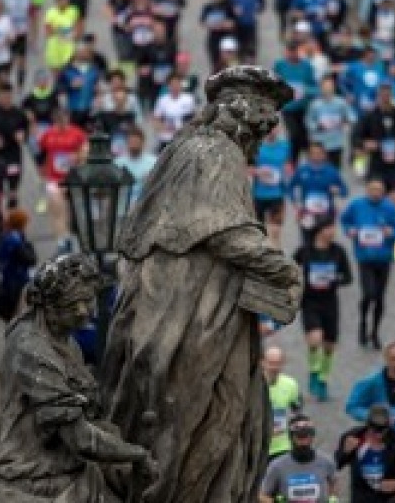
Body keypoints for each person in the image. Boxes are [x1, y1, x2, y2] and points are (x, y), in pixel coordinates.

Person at [100, 67, 302, 503]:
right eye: (261, 125)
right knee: (207, 418)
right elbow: (226, 232)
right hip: (192, 312)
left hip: (183, 305)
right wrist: (285, 271)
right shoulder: (216, 153)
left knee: (195, 416)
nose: (262, 140)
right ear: (243, 116)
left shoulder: (183, 148)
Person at [0, 255, 158, 503]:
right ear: (47, 306)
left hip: (66, 462)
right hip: (34, 471)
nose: (83, 312)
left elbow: (87, 418)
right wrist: (137, 454)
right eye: (71, 304)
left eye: (88, 300)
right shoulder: (31, 351)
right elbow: (80, 439)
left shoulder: (68, 342)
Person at [341, 179, 395, 348]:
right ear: (367, 190)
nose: (376, 193)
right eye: (372, 189)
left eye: (379, 190)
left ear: (384, 191)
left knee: (379, 298)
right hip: (364, 258)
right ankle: (363, 323)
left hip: (384, 258)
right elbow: (345, 220)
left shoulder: (391, 208)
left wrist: (392, 232)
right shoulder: (357, 205)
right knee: (368, 294)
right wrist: (350, 231)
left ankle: (375, 332)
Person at [293, 219, 353, 402]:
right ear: (319, 230)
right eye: (329, 228)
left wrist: (334, 280)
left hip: (330, 302)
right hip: (310, 301)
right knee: (315, 339)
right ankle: (314, 372)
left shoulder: (338, 251)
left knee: (329, 345)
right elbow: (289, 271)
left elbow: (348, 277)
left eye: (333, 228)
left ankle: (323, 379)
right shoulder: (304, 252)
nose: (332, 232)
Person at [346, 342, 395, 450]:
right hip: (380, 440)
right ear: (386, 358)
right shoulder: (370, 382)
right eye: (393, 359)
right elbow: (352, 407)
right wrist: (375, 417)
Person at [356, 83, 395, 227]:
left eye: (388, 95)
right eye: (382, 95)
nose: (385, 98)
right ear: (378, 97)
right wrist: (366, 144)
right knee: (376, 196)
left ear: (391, 96)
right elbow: (356, 138)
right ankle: (375, 227)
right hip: (377, 164)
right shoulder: (369, 115)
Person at [335, 404, 395, 503]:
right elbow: (336, 464)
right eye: (375, 430)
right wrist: (345, 451)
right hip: (362, 497)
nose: (378, 435)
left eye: (382, 430)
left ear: (389, 425)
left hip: (390, 499)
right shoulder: (352, 437)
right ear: (367, 425)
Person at [36, 108, 88, 253]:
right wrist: (42, 172)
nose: (61, 124)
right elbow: (41, 154)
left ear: (68, 118)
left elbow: (86, 152)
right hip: (55, 178)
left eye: (64, 120)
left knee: (76, 213)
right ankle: (62, 241)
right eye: (58, 121)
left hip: (75, 178)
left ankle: (80, 239)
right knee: (57, 208)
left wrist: (78, 157)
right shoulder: (47, 135)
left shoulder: (77, 133)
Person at [260, 414, 338, 503]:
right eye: (299, 437)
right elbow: (262, 495)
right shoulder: (277, 465)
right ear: (291, 437)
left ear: (312, 436)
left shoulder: (326, 461)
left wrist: (333, 498)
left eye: (306, 436)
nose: (303, 441)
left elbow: (334, 482)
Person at [289, 141, 349, 242]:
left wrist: (338, 190)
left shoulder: (331, 171)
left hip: (326, 214)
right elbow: (291, 187)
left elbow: (345, 191)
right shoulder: (302, 170)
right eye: (313, 153)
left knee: (325, 243)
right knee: (307, 243)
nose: (316, 156)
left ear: (324, 154)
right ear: (309, 155)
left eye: (319, 153)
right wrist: (295, 203)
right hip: (307, 214)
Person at [274, 41, 319, 163]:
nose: (292, 54)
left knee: (303, 137)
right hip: (288, 109)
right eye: (290, 51)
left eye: (294, 51)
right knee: (293, 135)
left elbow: (316, 88)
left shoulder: (307, 66)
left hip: (303, 108)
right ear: (286, 52)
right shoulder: (280, 65)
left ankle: (309, 161)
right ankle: (292, 161)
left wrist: (305, 90)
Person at [0, 208, 37, 320]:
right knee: (16, 313)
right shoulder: (15, 240)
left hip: (8, 280)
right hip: (16, 282)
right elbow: (30, 259)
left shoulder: (5, 237)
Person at [252, 125, 293, 246]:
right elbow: (245, 168)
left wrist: (288, 171)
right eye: (268, 128)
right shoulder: (255, 147)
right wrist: (258, 172)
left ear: (278, 129)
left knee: (275, 232)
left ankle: (276, 258)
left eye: (273, 128)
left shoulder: (285, 146)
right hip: (258, 195)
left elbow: (290, 166)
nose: (271, 131)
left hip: (277, 194)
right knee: (258, 234)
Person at [305, 74, 356, 168]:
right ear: (321, 88)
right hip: (320, 145)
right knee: (319, 171)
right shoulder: (314, 104)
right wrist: (317, 126)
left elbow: (352, 117)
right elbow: (308, 121)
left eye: (330, 86)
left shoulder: (341, 103)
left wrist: (344, 123)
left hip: (336, 143)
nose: (327, 89)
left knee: (335, 171)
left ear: (333, 87)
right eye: (325, 86)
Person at [263, 346, 303, 460]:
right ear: (262, 362)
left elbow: (297, 412)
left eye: (278, 363)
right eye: (271, 363)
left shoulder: (291, 384)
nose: (274, 367)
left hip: (283, 446)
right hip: (259, 446)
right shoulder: (253, 387)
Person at [150, 73, 196, 151]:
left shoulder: (189, 99)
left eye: (177, 83)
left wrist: (183, 128)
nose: (175, 86)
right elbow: (155, 120)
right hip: (166, 138)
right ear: (168, 86)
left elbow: (194, 119)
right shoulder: (162, 100)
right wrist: (165, 128)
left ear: (181, 84)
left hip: (183, 137)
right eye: (172, 84)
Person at [115, 127, 157, 205]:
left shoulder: (153, 162)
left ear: (142, 142)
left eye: (136, 141)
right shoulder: (118, 163)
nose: (134, 144)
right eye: (131, 141)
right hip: (122, 205)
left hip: (146, 204)